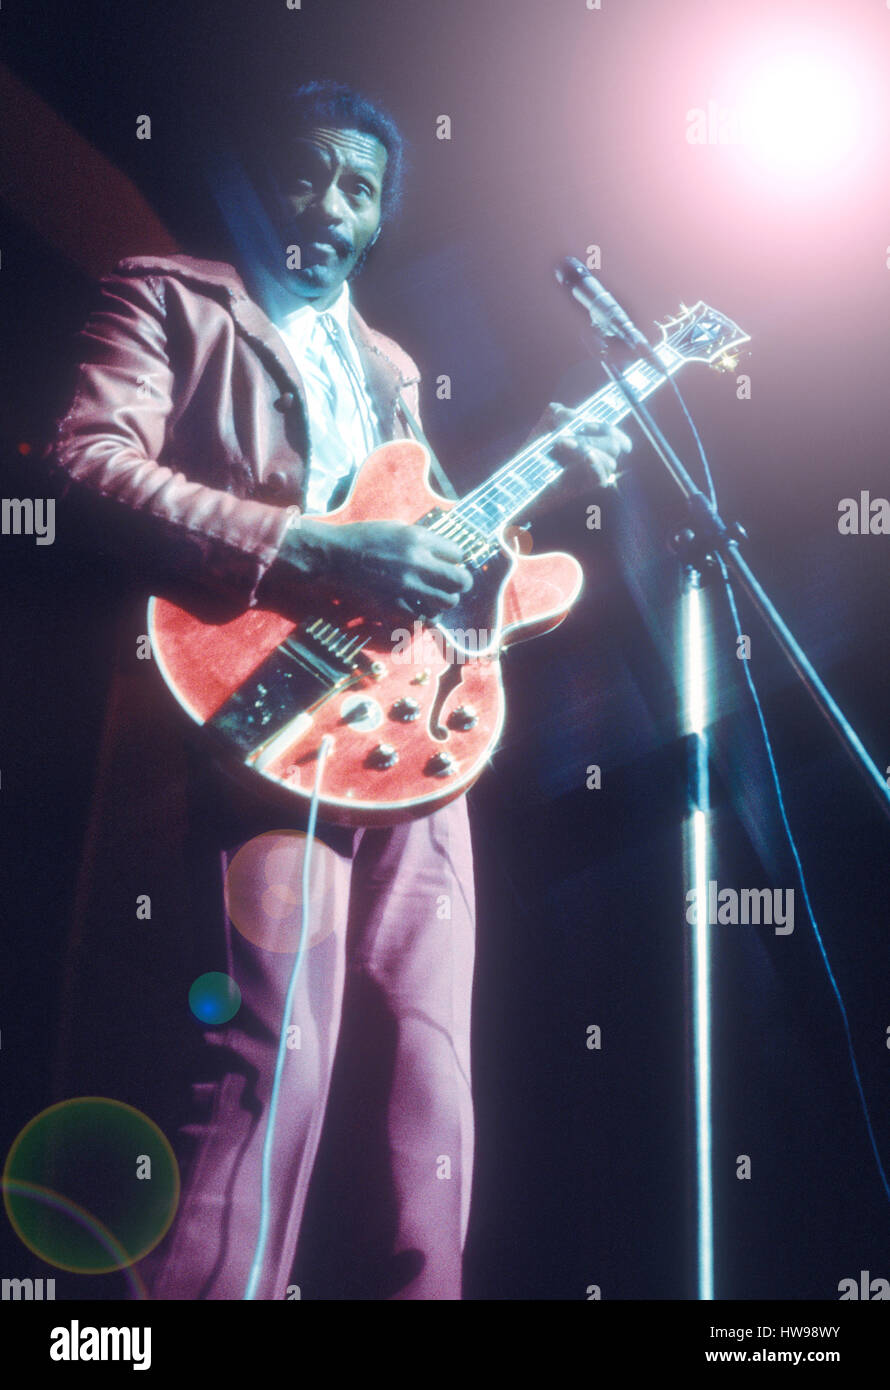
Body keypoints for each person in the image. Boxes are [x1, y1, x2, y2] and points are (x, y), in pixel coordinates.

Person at [47, 80, 631, 1300]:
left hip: (416, 734)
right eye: (304, 173)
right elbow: (82, 466)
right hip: (256, 711)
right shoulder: (169, 294)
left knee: (431, 1075)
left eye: (358, 187)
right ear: (255, 180)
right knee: (266, 1059)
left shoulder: (391, 367)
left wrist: (491, 560)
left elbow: (421, 550)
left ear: (379, 218)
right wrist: (306, 547)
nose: (328, 202)